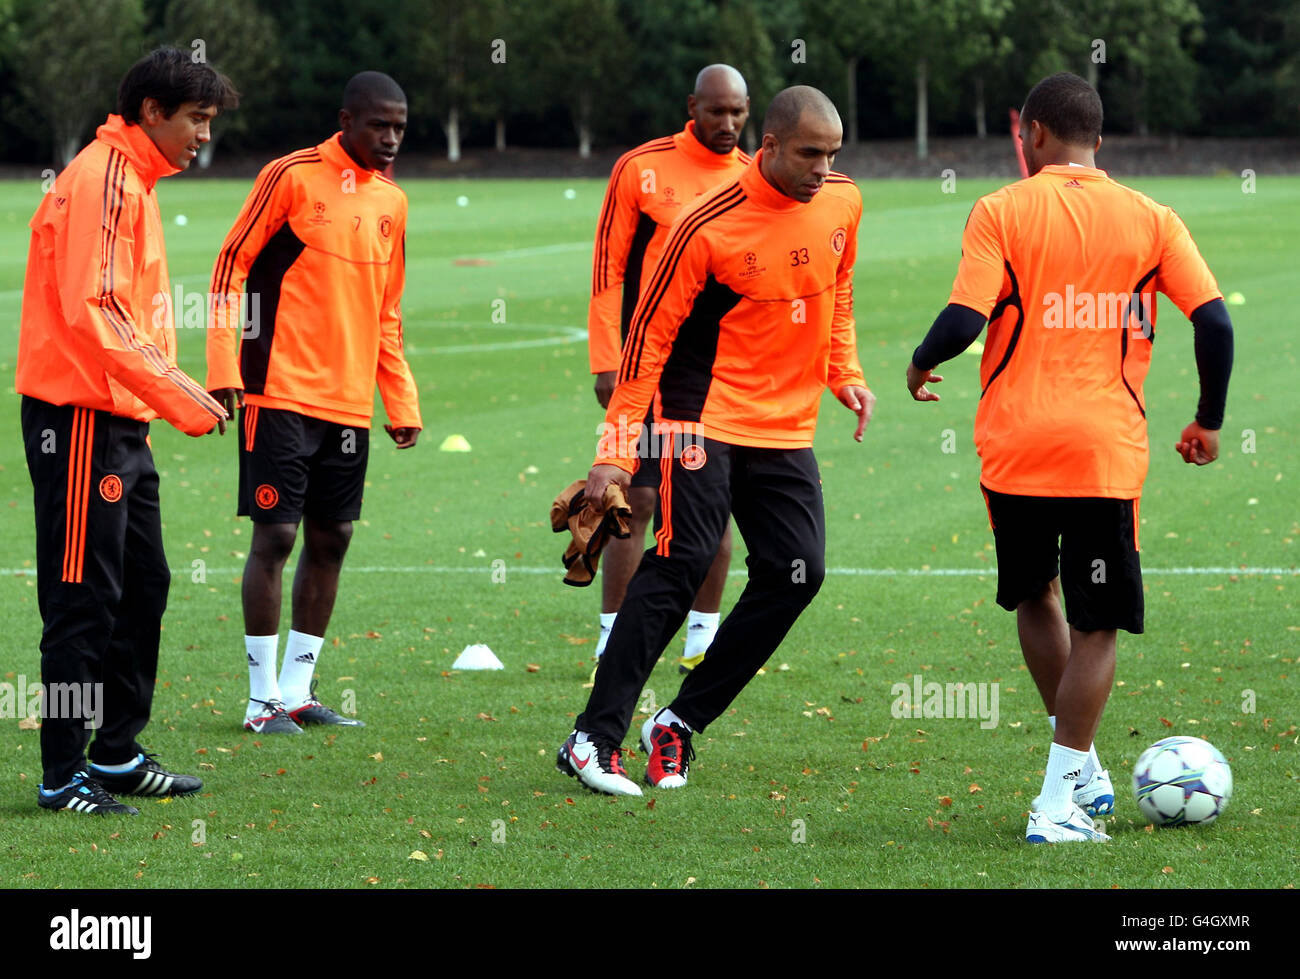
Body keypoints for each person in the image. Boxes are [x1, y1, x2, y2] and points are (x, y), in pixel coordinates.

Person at [906, 72, 1234, 843]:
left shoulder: (1000, 209)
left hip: (1014, 449)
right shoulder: (1152, 219)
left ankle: (1078, 774)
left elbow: (960, 322)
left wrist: (920, 364)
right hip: (1100, 453)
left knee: (1035, 597)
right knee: (1100, 625)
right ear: (1100, 139)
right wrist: (1208, 421)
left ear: (1034, 134)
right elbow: (1215, 324)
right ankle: (1059, 797)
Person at [557, 85, 874, 795]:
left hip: (783, 424)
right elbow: (646, 341)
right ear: (767, 146)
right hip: (695, 413)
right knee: (683, 557)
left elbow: (839, 285)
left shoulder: (845, 200)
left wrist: (843, 371)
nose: (824, 167)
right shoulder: (704, 225)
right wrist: (613, 450)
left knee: (799, 569)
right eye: (809, 153)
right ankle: (591, 737)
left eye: (832, 154)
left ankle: (677, 724)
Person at [17, 48, 237, 814]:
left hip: (120, 421)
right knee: (82, 596)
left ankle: (114, 752)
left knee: (144, 583)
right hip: (80, 419)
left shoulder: (132, 179)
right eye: (196, 120)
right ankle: (61, 771)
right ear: (152, 112)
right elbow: (96, 312)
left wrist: (164, 402)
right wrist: (188, 398)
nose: (203, 136)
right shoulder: (106, 177)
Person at [205, 71, 421, 734]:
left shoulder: (394, 203)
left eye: (399, 128)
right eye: (378, 125)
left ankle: (297, 690)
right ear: (345, 119)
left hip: (349, 402)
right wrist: (222, 367)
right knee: (277, 533)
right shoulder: (291, 176)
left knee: (334, 536)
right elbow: (229, 266)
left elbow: (387, 311)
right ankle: (259, 699)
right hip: (280, 389)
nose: (389, 139)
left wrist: (400, 398)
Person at [587, 65, 752, 674]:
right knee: (635, 497)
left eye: (738, 112)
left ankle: (702, 641)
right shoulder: (641, 168)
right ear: (693, 107)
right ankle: (611, 636)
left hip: (720, 373)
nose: (729, 124)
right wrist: (608, 358)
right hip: (647, 366)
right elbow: (609, 269)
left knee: (714, 501)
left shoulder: (753, 177)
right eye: (717, 112)